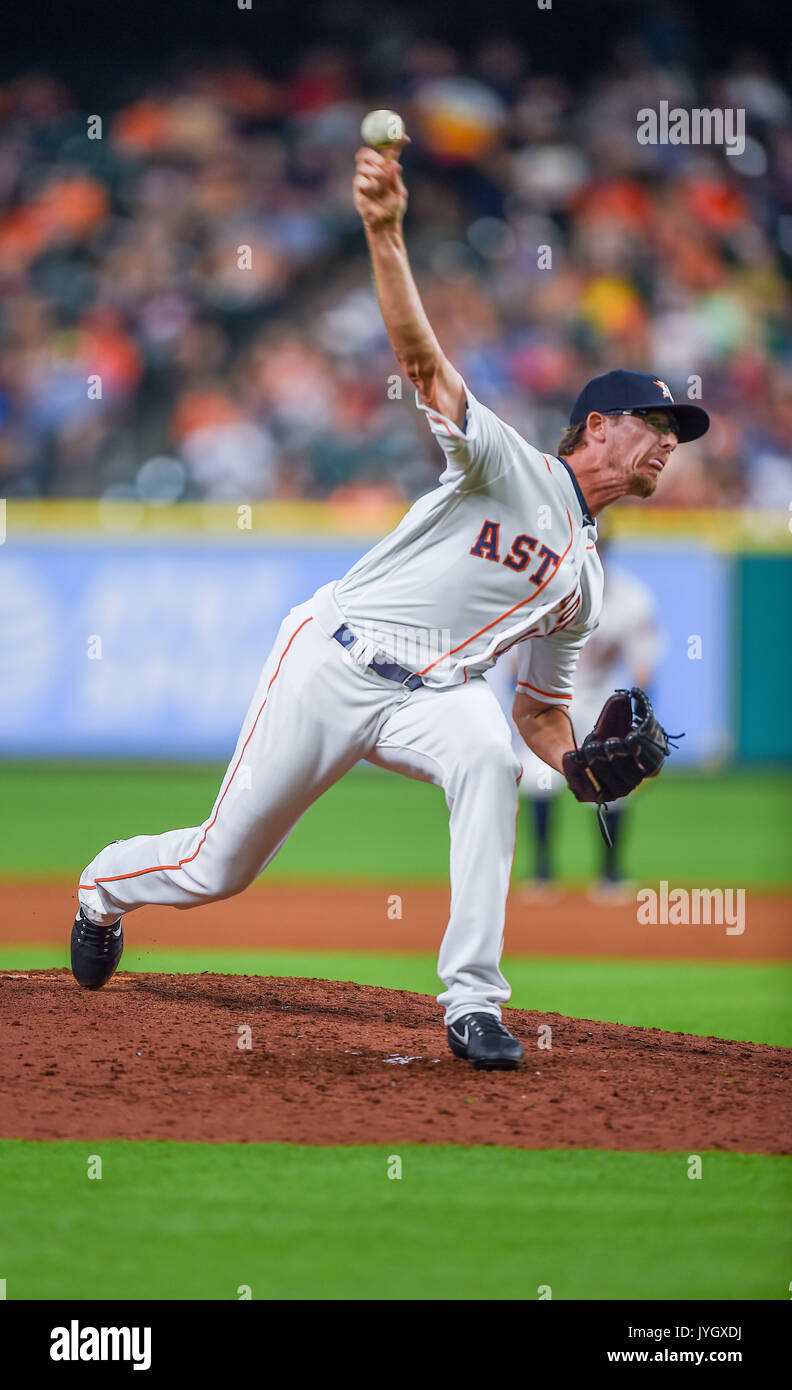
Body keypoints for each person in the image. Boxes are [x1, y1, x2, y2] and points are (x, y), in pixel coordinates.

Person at [71, 137, 709, 1071]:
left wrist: (578, 769)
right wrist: (384, 231)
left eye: (676, 435)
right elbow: (419, 355)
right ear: (597, 427)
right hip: (335, 657)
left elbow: (538, 709)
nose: (667, 445)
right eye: (654, 426)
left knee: (492, 756)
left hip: (435, 697)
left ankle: (473, 1003)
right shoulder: (504, 462)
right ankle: (100, 889)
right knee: (220, 867)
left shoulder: (586, 580)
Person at [487, 532, 661, 897]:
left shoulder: (630, 598)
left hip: (601, 696)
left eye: (598, 544)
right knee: (538, 778)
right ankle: (542, 871)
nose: (592, 551)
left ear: (606, 549)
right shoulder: (543, 592)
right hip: (548, 695)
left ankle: (610, 874)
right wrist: (523, 710)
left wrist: (643, 711)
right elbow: (515, 660)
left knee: (613, 777)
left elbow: (643, 662)